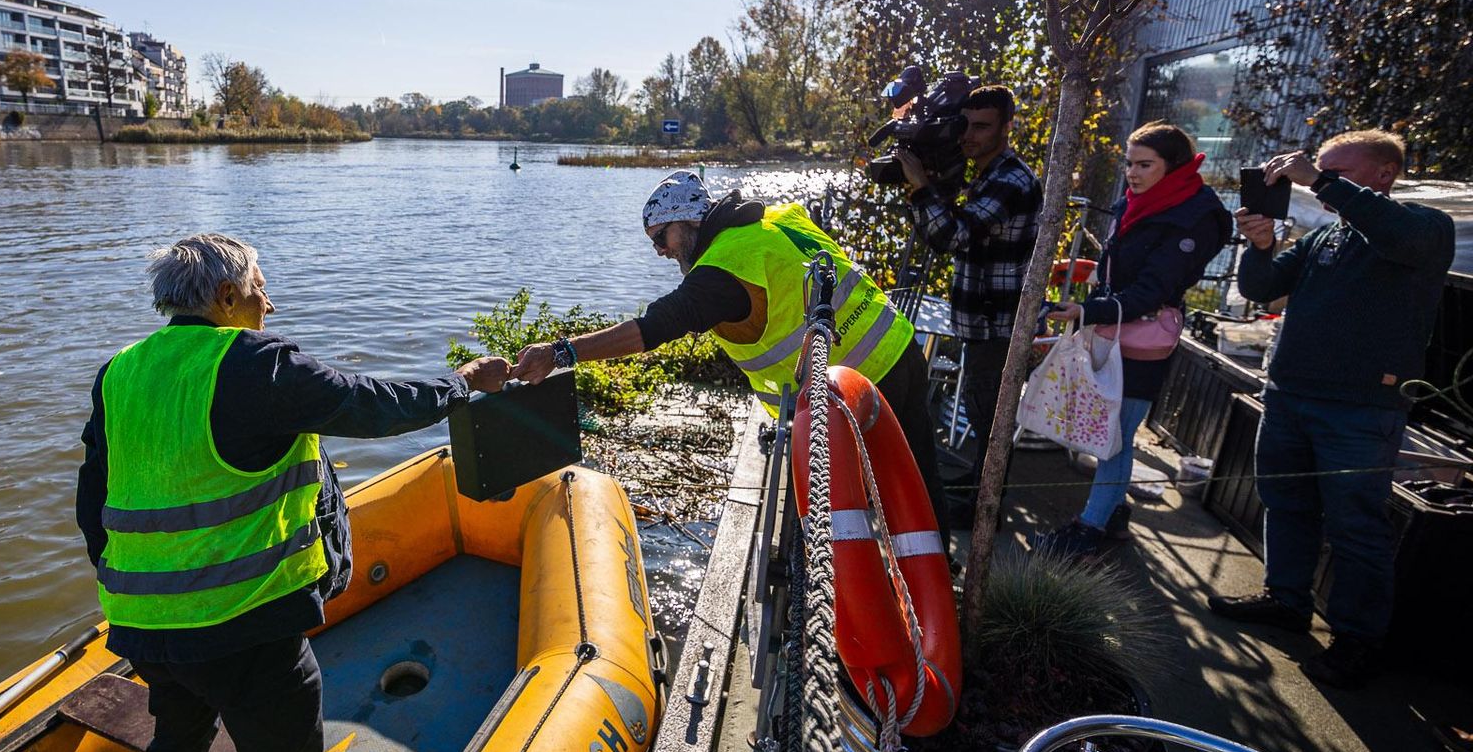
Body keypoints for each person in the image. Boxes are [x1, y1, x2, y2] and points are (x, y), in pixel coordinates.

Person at [76, 233, 508, 752]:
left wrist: (145, 595)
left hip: (150, 629)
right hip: (248, 635)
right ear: (224, 297)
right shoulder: (256, 364)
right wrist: (462, 382)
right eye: (259, 288)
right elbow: (373, 404)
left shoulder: (120, 373)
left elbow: (94, 504)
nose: (269, 303)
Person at [509, 169, 950, 536]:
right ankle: (941, 598)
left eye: (662, 238)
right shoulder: (776, 219)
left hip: (851, 392)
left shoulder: (722, 268)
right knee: (920, 490)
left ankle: (869, 625)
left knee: (842, 521)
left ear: (689, 222)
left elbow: (652, 328)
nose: (660, 252)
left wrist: (560, 352)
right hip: (900, 348)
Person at [1209, 130, 1454, 688]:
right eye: (1319, 171)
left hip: (1360, 407)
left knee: (1355, 525)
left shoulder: (1424, 228)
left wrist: (1321, 182)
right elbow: (1261, 287)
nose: (1317, 182)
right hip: (1291, 395)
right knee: (1286, 501)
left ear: (1385, 173)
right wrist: (1262, 243)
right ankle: (1287, 599)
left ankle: (1358, 641)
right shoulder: (1327, 238)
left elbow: (1399, 237)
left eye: (1336, 173)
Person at [1036, 122, 1232, 557]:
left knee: (1117, 436)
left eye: (1144, 164)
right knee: (1112, 430)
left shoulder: (1193, 216)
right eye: (1129, 162)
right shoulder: (1147, 201)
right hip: (1118, 328)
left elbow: (1154, 288)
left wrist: (1089, 310)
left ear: (1174, 167)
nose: (1132, 172)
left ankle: (1088, 529)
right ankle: (1113, 513)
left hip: (1140, 339)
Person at [901, 84, 1043, 524]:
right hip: (981, 321)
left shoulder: (1011, 179)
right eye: (966, 125)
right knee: (986, 412)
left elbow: (953, 235)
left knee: (991, 418)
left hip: (999, 324)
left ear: (1006, 126)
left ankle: (986, 510)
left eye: (982, 126)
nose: (970, 136)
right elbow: (943, 232)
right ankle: (981, 491)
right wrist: (930, 186)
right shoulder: (982, 174)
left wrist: (922, 186)